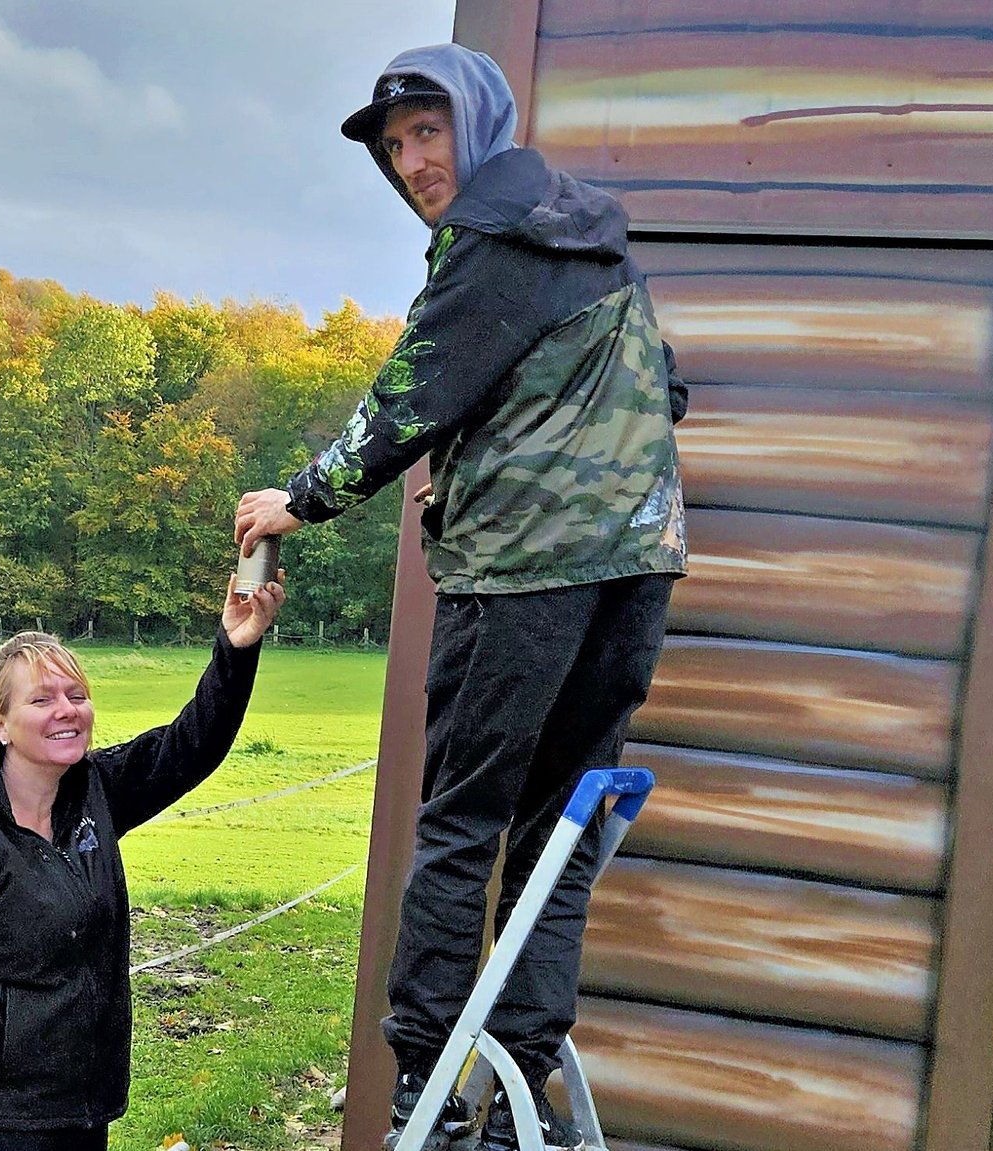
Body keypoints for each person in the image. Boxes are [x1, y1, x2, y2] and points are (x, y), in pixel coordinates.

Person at [234, 43, 689, 1151]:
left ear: (476, 125)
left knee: (456, 830)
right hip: (635, 570)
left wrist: (294, 499)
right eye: (394, 148)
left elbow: (407, 400)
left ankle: (425, 1097)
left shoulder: (488, 240)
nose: (410, 162)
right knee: (555, 836)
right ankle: (518, 1091)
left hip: (520, 576)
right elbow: (665, 389)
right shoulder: (592, 243)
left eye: (426, 132)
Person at [0, 572, 285, 1151]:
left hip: (83, 1112)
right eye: (41, 700)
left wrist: (237, 647)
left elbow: (192, 744)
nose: (66, 711)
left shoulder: (95, 793)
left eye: (76, 695)